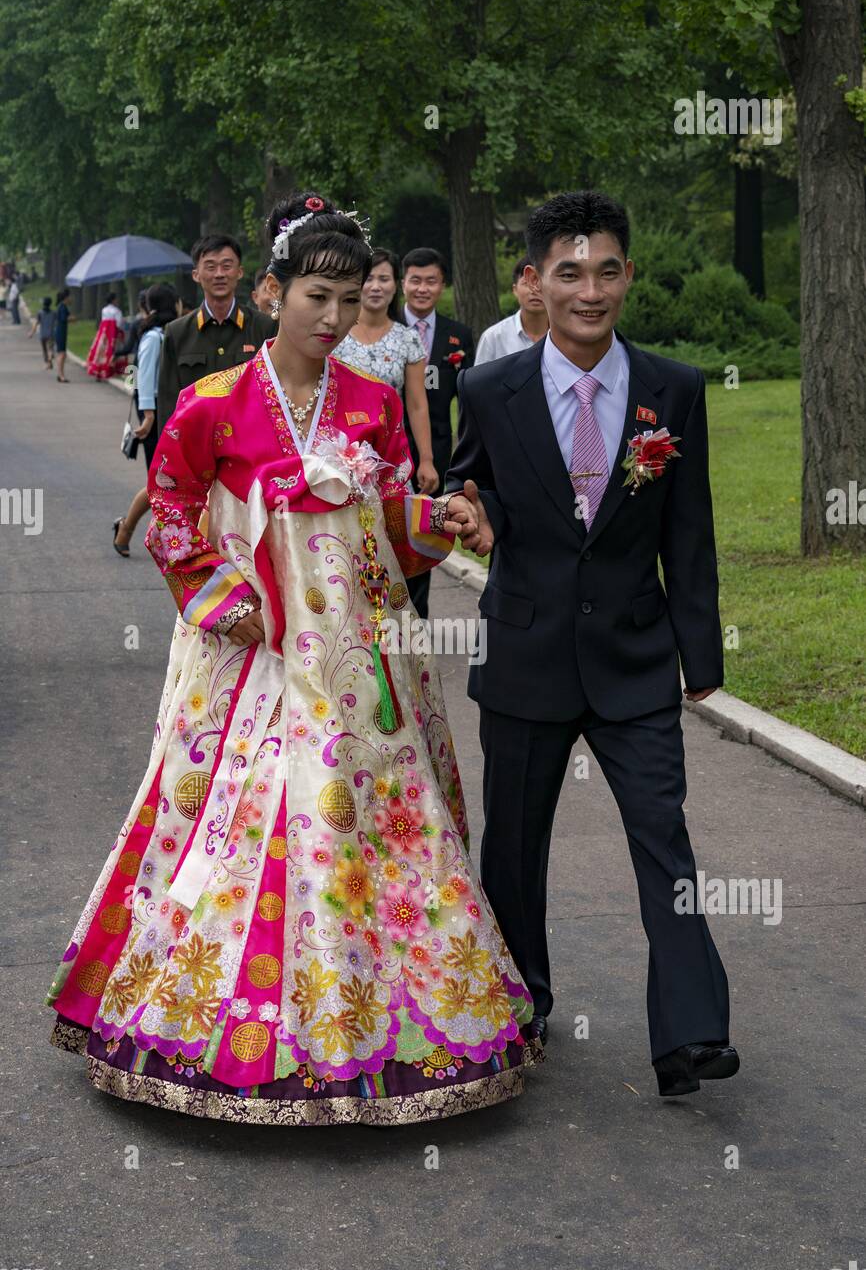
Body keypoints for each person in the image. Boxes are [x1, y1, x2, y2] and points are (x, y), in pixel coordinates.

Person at [45, 189, 542, 1128]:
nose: (333, 316)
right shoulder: (213, 404)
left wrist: (443, 521)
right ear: (274, 291)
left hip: (358, 655)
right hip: (254, 655)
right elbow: (173, 506)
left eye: (350, 300)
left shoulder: (369, 403)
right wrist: (220, 595)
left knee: (369, 818)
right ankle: (229, 1015)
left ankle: (379, 1012)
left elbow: (390, 512)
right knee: (236, 817)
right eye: (317, 294)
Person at [445, 190, 738, 1097]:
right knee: (514, 846)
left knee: (663, 836)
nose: (590, 289)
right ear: (533, 283)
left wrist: (701, 657)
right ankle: (520, 1001)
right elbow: (471, 486)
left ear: (628, 277)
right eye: (569, 272)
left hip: (636, 660)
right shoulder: (488, 388)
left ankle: (690, 1030)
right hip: (525, 654)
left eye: (607, 270)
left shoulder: (673, 390)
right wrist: (472, 513)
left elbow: (688, 531)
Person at [400, 248, 475, 618]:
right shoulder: (387, 329)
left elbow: (467, 403)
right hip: (389, 451)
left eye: (431, 281)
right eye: (415, 280)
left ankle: (419, 622)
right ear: (403, 283)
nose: (422, 288)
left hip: (438, 453)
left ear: (442, 285)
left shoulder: (459, 336)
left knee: (427, 534)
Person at [332, 247, 437, 493]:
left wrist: (427, 459)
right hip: (340, 452)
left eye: (384, 278)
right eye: (369, 279)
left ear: (396, 285)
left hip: (391, 452)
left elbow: (417, 404)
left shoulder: (408, 339)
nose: (376, 286)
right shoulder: (335, 334)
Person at [157, 234, 276, 434]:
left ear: (239, 272)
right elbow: (168, 402)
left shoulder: (265, 328)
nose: (219, 274)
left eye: (227, 266)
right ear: (196, 274)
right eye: (210, 267)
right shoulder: (177, 333)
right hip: (196, 442)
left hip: (250, 441)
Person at [112, 283, 179, 556]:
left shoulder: (173, 334)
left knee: (172, 479)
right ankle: (127, 528)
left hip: (172, 412)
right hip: (155, 413)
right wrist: (149, 414)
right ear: (172, 305)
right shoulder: (154, 337)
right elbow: (144, 376)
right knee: (160, 480)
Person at [474, 254, 549, 365]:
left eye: (539, 282)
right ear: (515, 290)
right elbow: (479, 381)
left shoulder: (566, 336)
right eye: (527, 283)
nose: (534, 290)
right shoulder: (493, 337)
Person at [86, 292, 126, 380]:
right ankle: (111, 370)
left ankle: (99, 370)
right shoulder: (117, 311)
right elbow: (119, 324)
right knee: (113, 350)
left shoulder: (104, 310)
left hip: (103, 333)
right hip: (113, 333)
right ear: (113, 300)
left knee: (101, 350)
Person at [28, 296, 56, 367]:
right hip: (51, 334)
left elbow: (36, 323)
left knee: (44, 350)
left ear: (43, 303)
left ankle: (48, 363)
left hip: (42, 334)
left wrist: (32, 333)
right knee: (50, 348)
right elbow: (57, 323)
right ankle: (50, 356)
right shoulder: (53, 313)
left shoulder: (40, 313)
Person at [54, 289, 74, 382]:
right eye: (70, 296)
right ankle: (61, 375)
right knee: (62, 354)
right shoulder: (62, 307)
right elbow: (64, 318)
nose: (71, 298)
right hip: (60, 332)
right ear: (66, 297)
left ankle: (60, 374)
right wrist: (72, 318)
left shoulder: (63, 306)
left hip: (61, 332)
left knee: (62, 353)